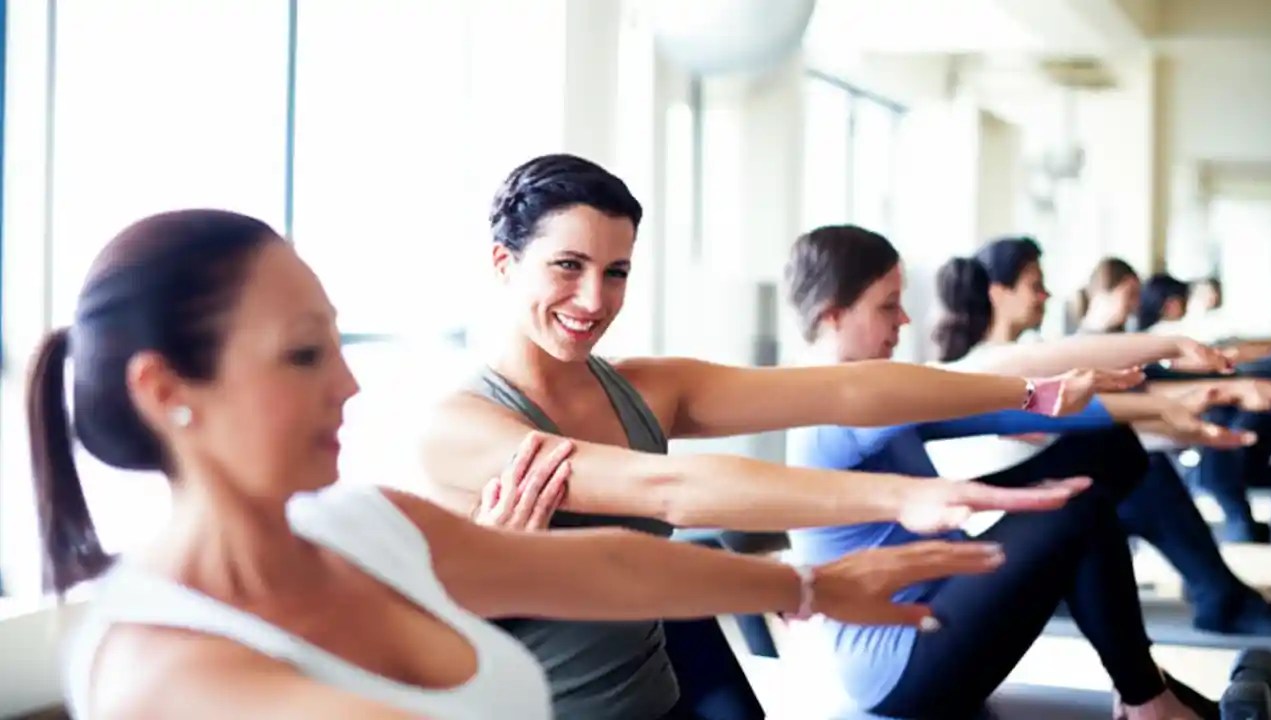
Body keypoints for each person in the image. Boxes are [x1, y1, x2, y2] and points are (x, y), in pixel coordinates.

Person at [38, 209, 1039, 720]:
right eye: (302, 354)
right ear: (167, 390)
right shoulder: (159, 667)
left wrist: (802, 583)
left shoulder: (363, 525)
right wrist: (896, 499)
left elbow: (613, 564)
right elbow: (664, 489)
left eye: (339, 345)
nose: (346, 385)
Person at [418, 154, 1130, 720]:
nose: (594, 300)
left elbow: (845, 387)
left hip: (666, 700)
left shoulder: (643, 387)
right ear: (505, 264)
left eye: (617, 272)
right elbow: (672, 491)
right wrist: (895, 497)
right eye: (567, 267)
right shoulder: (466, 428)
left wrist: (1032, 394)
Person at [781, 225, 1233, 719]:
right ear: (832, 314)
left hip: (937, 609)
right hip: (901, 664)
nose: (905, 319)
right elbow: (1012, 380)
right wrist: (1163, 351)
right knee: (1076, 508)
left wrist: (1156, 409)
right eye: (888, 305)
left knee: (1096, 463)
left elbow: (1007, 410)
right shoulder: (840, 402)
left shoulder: (858, 393)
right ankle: (1148, 699)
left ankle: (1147, 691)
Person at [934, 235, 1271, 631]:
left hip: (1045, 534)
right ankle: (1217, 596)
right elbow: (1087, 417)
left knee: (1124, 458)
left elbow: (1100, 411)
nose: (1046, 295)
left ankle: (1211, 598)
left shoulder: (1005, 361)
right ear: (998, 293)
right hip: (1017, 559)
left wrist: (1196, 408)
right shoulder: (989, 366)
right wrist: (1200, 388)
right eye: (1034, 284)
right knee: (1131, 463)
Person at [1074, 256, 1142, 334]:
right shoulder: (1079, 343)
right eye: (1131, 294)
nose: (1136, 304)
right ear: (1103, 292)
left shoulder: (1122, 336)